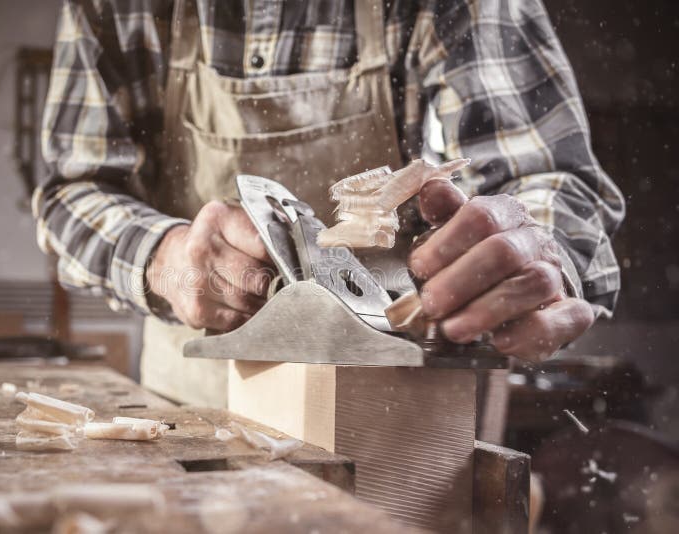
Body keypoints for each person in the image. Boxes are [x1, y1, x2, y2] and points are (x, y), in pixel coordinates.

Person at [34, 0, 624, 402]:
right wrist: (165, 256)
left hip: (407, 406)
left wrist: (535, 254)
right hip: (199, 400)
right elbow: (73, 188)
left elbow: (546, 173)